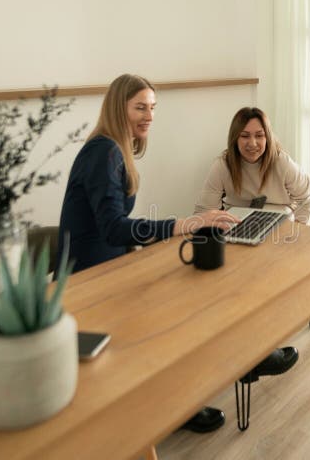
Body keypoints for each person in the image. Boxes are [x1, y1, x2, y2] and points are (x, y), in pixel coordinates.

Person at [58, 74, 239, 433]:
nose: (149, 116)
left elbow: (115, 227)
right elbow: (112, 227)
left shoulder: (114, 148)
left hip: (112, 265)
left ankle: (182, 398)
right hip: (89, 279)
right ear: (118, 107)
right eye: (140, 107)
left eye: (152, 108)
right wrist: (187, 223)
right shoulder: (104, 152)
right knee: (174, 312)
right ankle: (179, 405)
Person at [195, 106, 310, 383]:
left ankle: (254, 354)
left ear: (268, 136)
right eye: (245, 136)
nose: (253, 143)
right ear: (235, 139)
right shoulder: (223, 165)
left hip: (280, 227)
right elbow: (204, 209)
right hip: (238, 228)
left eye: (260, 135)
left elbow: (307, 197)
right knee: (222, 283)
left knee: (255, 282)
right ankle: (241, 355)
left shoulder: (281, 162)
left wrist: (298, 230)